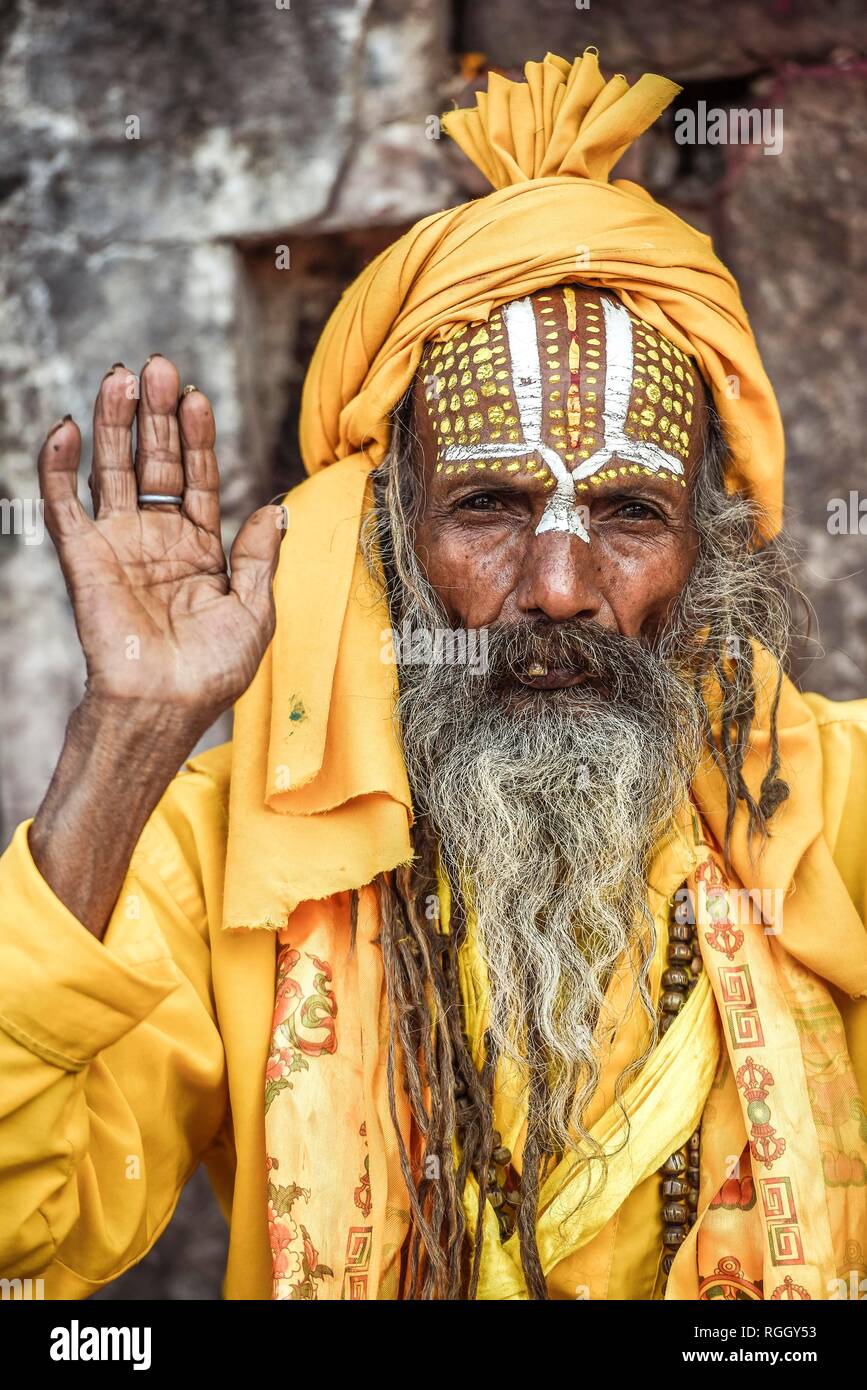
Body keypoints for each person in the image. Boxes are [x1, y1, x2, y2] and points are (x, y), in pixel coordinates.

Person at [1, 49, 865, 1302]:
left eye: (627, 511)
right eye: (490, 506)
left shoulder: (826, 811)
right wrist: (125, 733)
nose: (560, 587)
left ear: (709, 545)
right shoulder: (222, 861)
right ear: (387, 531)